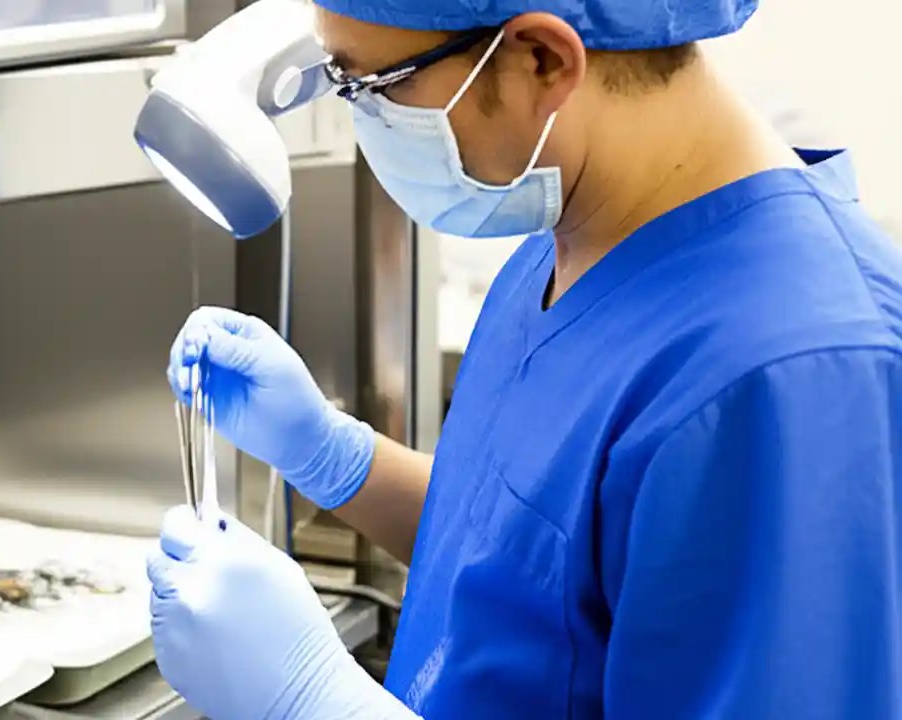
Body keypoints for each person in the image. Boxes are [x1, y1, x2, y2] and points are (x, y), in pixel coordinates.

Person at [146, 0, 902, 717]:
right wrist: (336, 459)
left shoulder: (791, 377)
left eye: (372, 85)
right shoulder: (572, 236)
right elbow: (540, 563)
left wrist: (312, 699)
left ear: (540, 59)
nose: (361, 116)